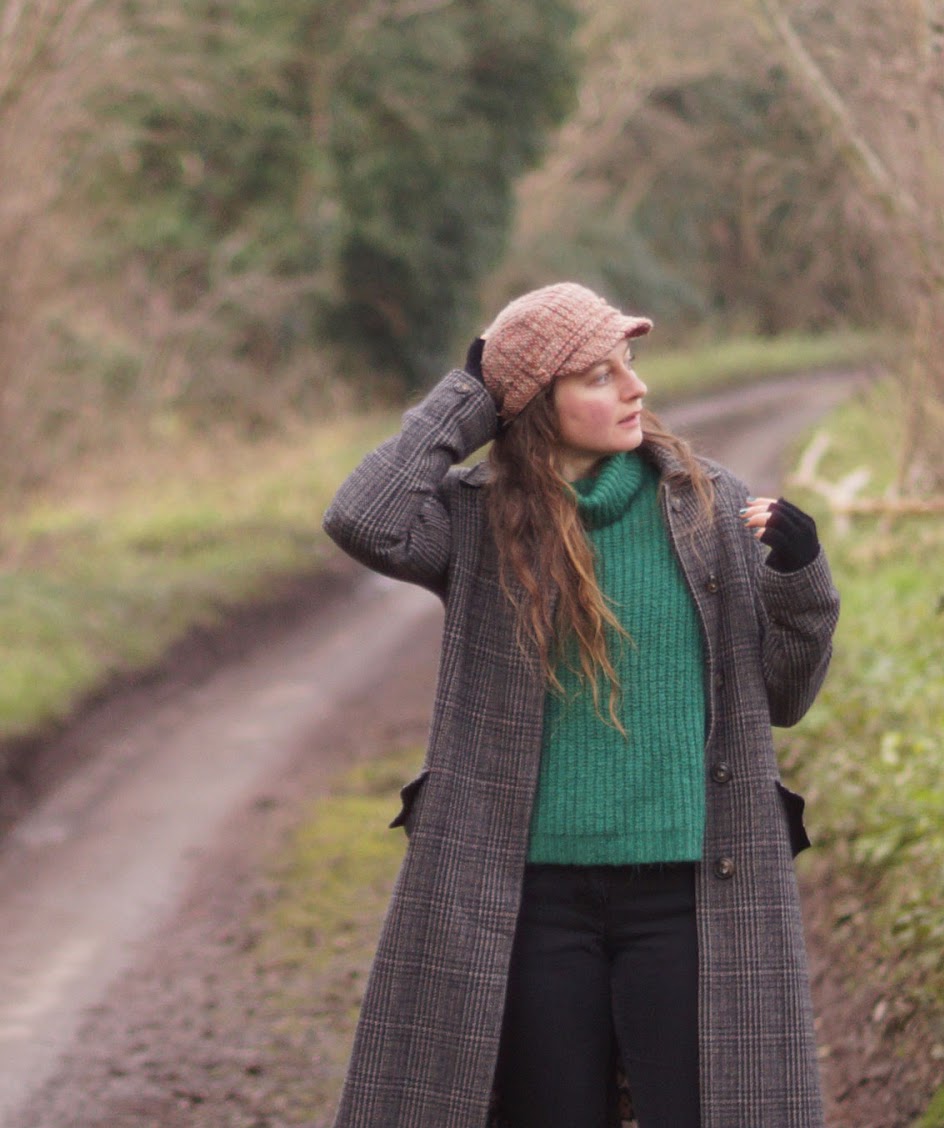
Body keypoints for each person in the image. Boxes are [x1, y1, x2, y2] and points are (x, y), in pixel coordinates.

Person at [322, 282, 839, 1128]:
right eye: (599, 376)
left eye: (628, 366)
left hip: (692, 896)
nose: (634, 388)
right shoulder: (477, 520)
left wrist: (800, 583)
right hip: (530, 899)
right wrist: (472, 393)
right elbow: (362, 518)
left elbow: (787, 695)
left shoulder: (707, 507)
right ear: (531, 404)